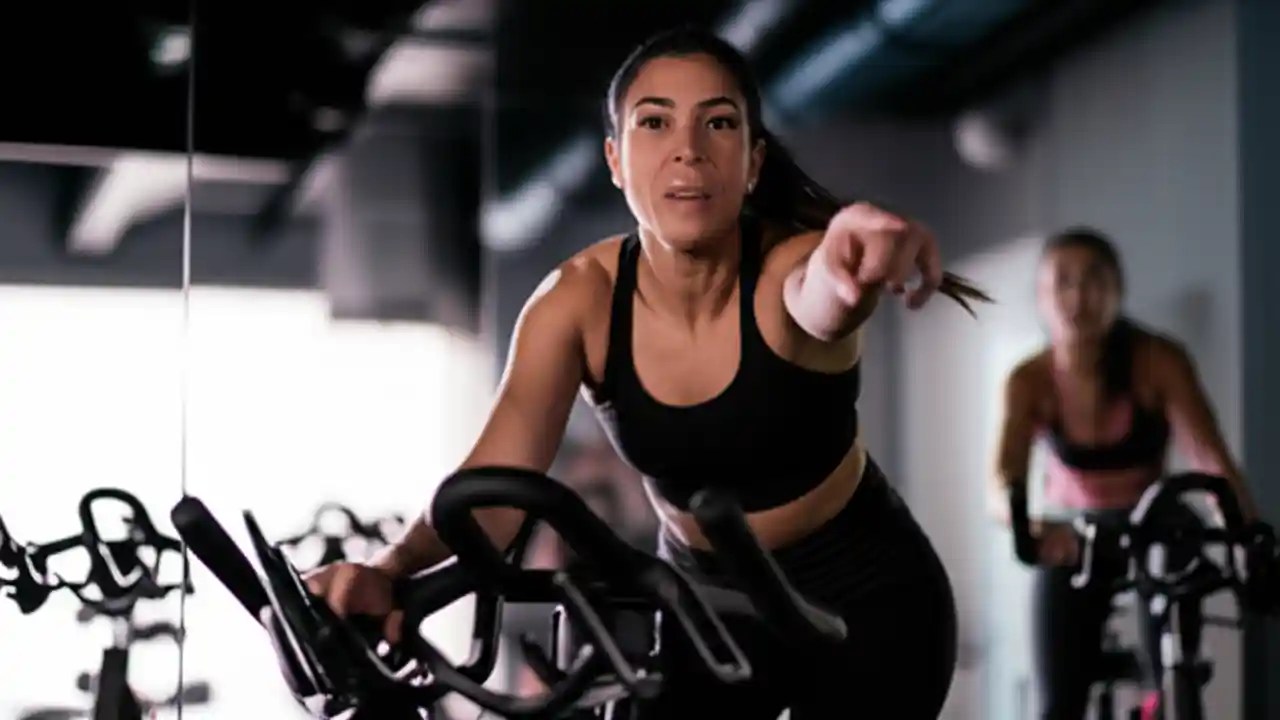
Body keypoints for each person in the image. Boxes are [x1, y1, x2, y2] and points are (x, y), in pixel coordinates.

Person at [306, 25, 991, 718]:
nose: (687, 150)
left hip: (867, 600)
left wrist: (851, 270)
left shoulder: (792, 266)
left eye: (717, 123)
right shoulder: (577, 300)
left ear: (753, 163)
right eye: (654, 122)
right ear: (616, 159)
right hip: (708, 603)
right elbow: (493, 495)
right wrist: (390, 570)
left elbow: (823, 299)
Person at [992, 227, 1265, 719]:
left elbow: (1211, 460)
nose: (1079, 296)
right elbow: (1001, 481)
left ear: (1118, 288)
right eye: (1064, 282)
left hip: (1154, 524)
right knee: (1059, 703)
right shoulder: (1030, 380)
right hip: (1077, 538)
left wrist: (1246, 536)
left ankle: (1164, 698)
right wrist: (1028, 528)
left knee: (1173, 677)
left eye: (1094, 280)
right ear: (1043, 297)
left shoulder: (1158, 360)